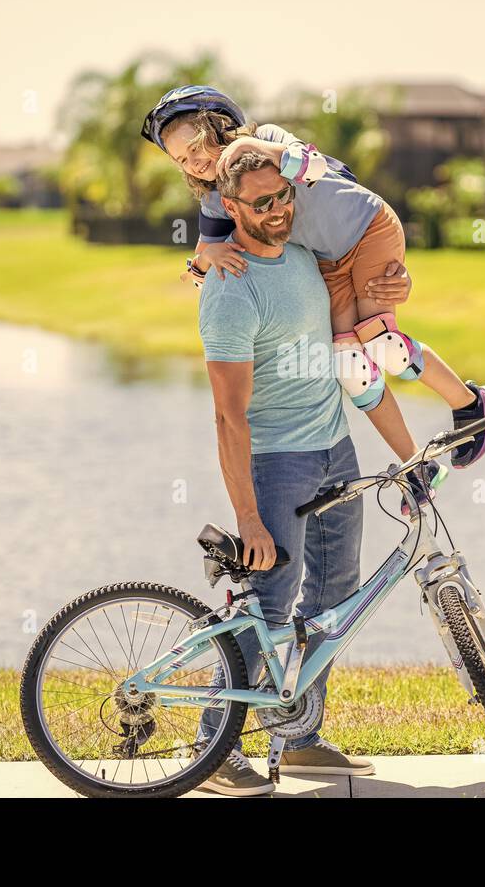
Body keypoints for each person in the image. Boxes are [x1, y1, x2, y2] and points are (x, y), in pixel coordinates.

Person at [143, 86, 485, 514]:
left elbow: (311, 168)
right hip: (330, 262)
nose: (195, 162)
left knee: (382, 343)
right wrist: (205, 257)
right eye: (181, 159)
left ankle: (469, 403)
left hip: (368, 230)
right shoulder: (217, 199)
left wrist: (253, 145)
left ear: (221, 124)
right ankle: (416, 468)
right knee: (349, 367)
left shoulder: (268, 137)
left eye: (195, 147)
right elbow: (199, 265)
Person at [192, 151, 376, 796]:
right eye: (261, 203)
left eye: (282, 199)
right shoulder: (230, 288)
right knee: (268, 602)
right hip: (277, 463)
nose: (277, 212)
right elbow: (228, 419)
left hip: (335, 448)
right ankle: (215, 749)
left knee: (333, 597)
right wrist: (247, 517)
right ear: (231, 208)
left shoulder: (302, 258)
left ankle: (297, 739)